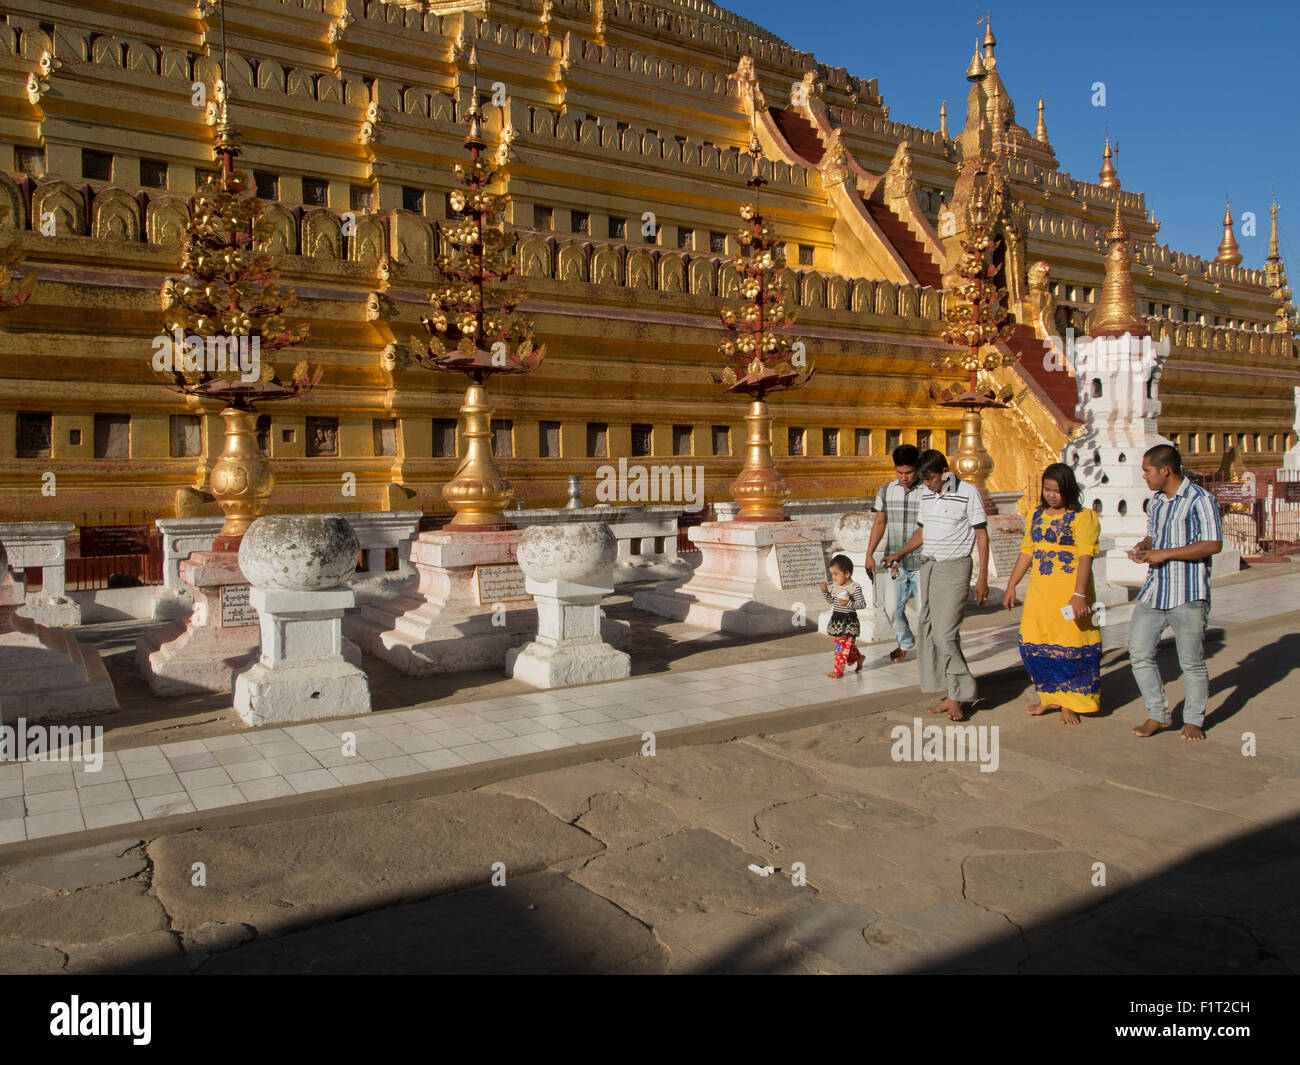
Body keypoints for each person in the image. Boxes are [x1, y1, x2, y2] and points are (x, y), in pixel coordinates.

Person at [883, 449, 989, 721]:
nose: (926, 483)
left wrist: (983, 578)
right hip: (928, 565)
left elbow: (981, 535)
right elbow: (922, 531)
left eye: (930, 477)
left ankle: (961, 691)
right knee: (928, 631)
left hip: (954, 568)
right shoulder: (927, 495)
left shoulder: (968, 492)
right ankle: (951, 691)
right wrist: (900, 553)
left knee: (945, 633)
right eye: (923, 478)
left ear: (944, 471)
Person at [1127, 444, 1223, 742]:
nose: (1144, 476)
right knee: (1139, 654)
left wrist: (1165, 554)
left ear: (1164, 470)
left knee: (1191, 662)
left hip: (1188, 592)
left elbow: (1213, 544)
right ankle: (1158, 713)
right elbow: (1154, 534)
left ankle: (1194, 719)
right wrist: (1145, 546)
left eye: (1147, 470)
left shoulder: (1200, 500)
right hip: (1155, 591)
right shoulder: (1156, 502)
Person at [1002, 463, 1102, 725]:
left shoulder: (1084, 517)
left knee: (1072, 645)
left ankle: (1072, 702)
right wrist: (1012, 585)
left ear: (1068, 490)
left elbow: (1085, 556)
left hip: (1071, 592)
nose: (1050, 495)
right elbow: (1027, 551)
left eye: (1056, 490)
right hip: (1040, 593)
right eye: (1047, 489)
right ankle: (1051, 696)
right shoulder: (1036, 515)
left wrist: (1079, 594)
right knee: (1036, 642)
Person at [866, 444, 923, 663]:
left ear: (917, 469)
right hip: (895, 563)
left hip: (923, 561)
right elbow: (880, 521)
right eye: (900, 472)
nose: (904, 477)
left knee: (926, 612)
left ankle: (929, 651)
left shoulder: (928, 492)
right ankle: (905, 642)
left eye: (908, 472)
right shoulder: (886, 490)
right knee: (891, 608)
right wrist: (869, 553)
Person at [820, 554, 867, 678]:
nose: (834, 578)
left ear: (847, 574)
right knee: (843, 645)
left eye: (836, 574)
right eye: (832, 574)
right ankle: (860, 657)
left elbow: (862, 604)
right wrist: (825, 591)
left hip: (849, 622)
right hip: (837, 622)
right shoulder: (836, 587)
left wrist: (849, 603)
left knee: (843, 647)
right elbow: (831, 601)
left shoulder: (855, 588)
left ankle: (838, 671)